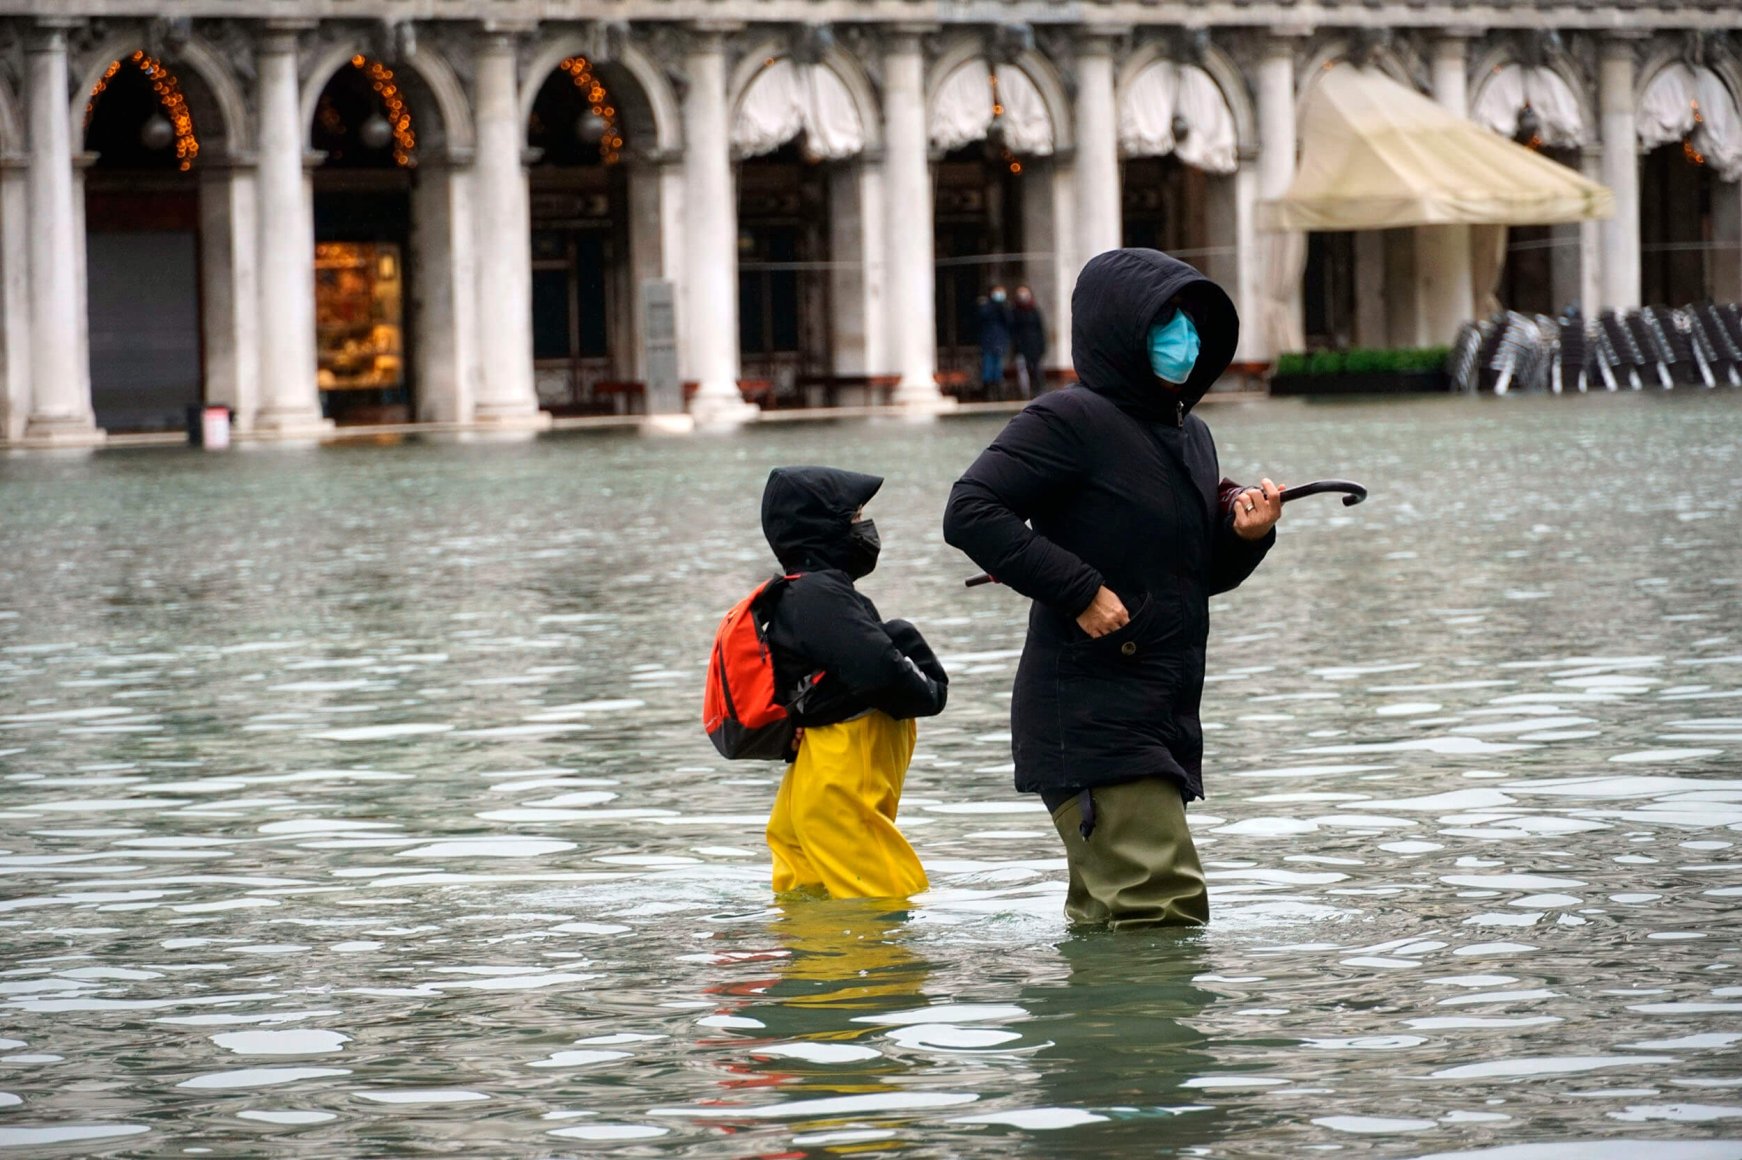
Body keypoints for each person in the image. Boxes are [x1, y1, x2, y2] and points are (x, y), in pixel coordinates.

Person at [941, 249, 1282, 929]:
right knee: (1162, 915)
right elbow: (970, 509)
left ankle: (1093, 1038)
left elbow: (1188, 577)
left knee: (1115, 921)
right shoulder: (1068, 418)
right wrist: (1079, 591)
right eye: (1165, 322)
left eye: (1190, 322)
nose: (1184, 338)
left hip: (1160, 712)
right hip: (1091, 718)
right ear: (1118, 328)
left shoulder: (1191, 434)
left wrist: (1248, 537)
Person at [759, 466, 949, 900]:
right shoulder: (819, 593)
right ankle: (865, 956)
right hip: (844, 740)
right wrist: (929, 687)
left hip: (835, 741)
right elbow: (879, 669)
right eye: (853, 517)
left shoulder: (802, 591)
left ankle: (844, 953)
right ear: (822, 528)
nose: (863, 528)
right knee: (827, 846)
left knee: (812, 841)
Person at [977, 285, 1013, 400]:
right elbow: (981, 317)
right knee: (988, 366)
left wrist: (1003, 307)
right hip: (988, 341)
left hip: (1000, 341)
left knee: (998, 367)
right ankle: (987, 391)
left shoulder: (1005, 307)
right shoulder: (986, 306)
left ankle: (998, 391)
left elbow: (1010, 321)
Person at [1011, 285, 1048, 398]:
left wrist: (1042, 346)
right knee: (1023, 371)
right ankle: (1025, 392)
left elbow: (1040, 329)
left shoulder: (1034, 310)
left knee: (1036, 369)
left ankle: (1038, 390)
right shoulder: (1014, 312)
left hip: (1034, 346)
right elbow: (1013, 330)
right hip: (1021, 346)